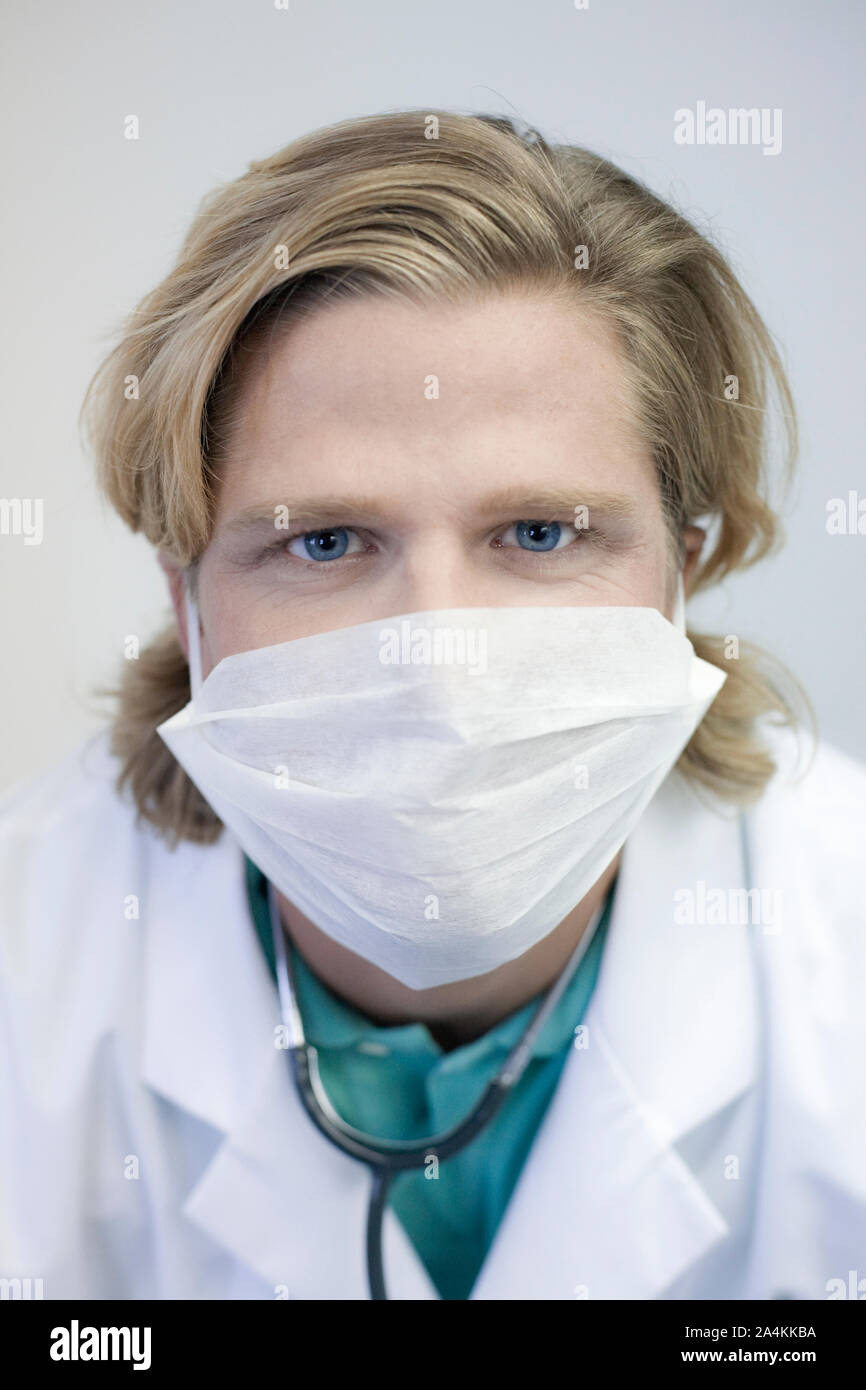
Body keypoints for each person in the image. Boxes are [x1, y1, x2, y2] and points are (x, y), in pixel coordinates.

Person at [1, 109, 864, 1302]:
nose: (435, 659)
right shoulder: (29, 951)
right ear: (185, 600)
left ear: (682, 572)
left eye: (539, 532)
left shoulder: (843, 936)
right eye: (325, 541)